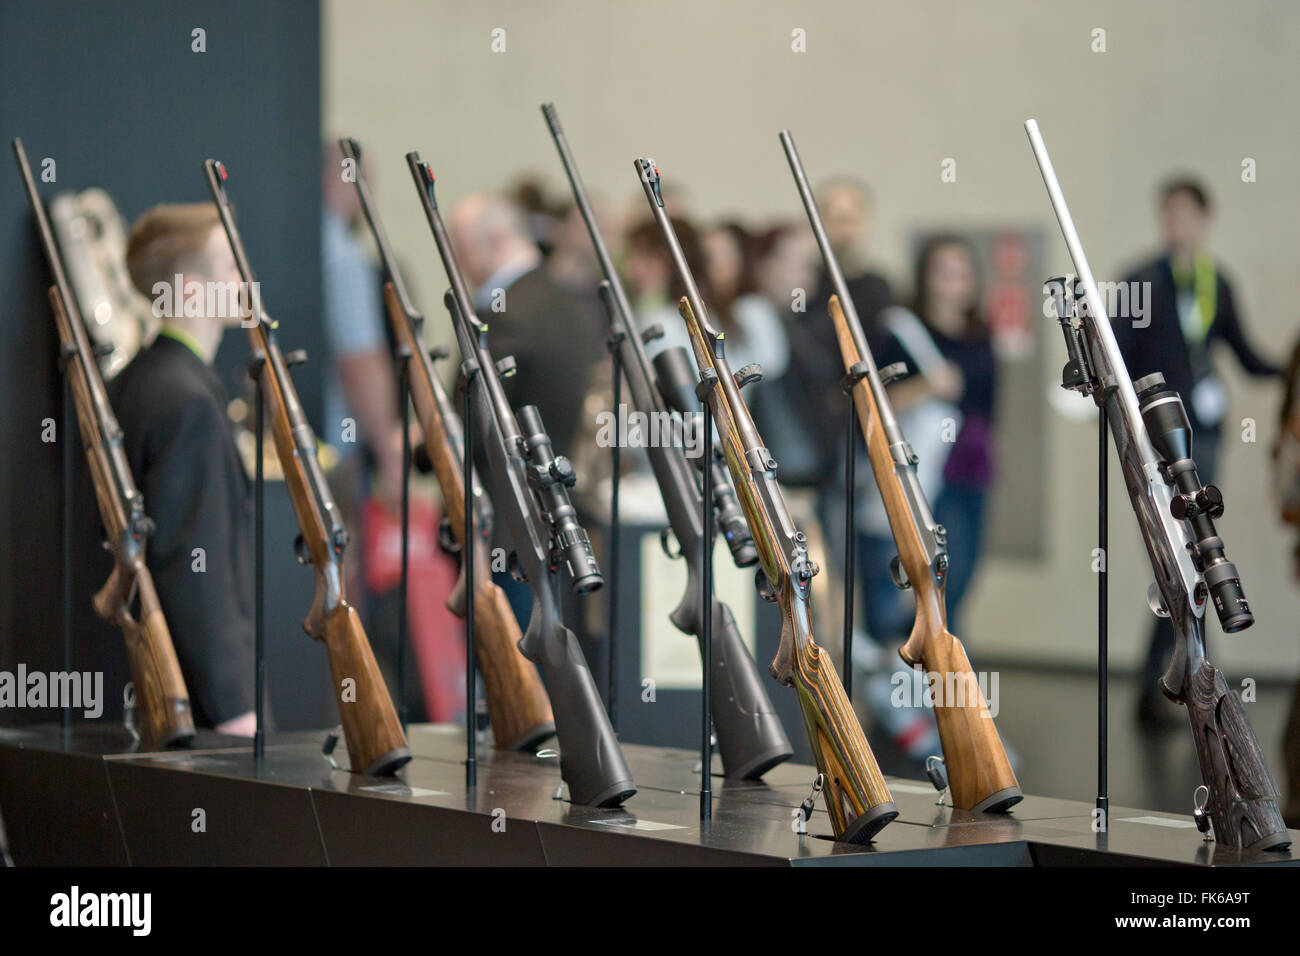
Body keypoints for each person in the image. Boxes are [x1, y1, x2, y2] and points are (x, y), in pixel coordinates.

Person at [1116, 176, 1282, 727]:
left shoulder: (1216, 282)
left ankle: (1181, 676)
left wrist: (1289, 368)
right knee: (1176, 557)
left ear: (1204, 219)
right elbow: (1115, 359)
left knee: (1197, 556)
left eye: (1188, 214)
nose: (1178, 224)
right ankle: (1176, 677)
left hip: (1203, 434)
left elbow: (1244, 352)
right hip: (1157, 438)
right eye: (1170, 213)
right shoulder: (1142, 281)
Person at [116, 203, 256, 734]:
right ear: (192, 290)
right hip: (200, 713)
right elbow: (196, 565)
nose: (244, 279)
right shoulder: (188, 400)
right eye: (227, 266)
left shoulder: (137, 380)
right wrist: (235, 706)